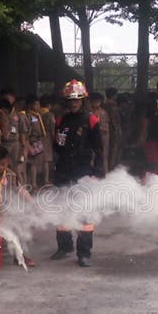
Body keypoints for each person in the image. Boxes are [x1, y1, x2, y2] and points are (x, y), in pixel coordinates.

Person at [51, 80, 104, 267]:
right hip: (63, 170)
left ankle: (84, 252)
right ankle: (64, 246)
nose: (73, 103)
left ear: (82, 99)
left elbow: (99, 149)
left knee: (84, 213)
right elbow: (56, 147)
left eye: (76, 99)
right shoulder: (61, 120)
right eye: (69, 99)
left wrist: (97, 173)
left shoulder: (91, 120)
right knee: (61, 209)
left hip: (83, 171)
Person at [88, 92, 110, 174]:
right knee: (91, 156)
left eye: (98, 101)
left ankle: (105, 173)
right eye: (94, 101)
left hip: (103, 138)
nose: (96, 103)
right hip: (92, 138)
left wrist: (100, 128)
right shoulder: (88, 113)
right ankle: (90, 174)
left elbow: (107, 127)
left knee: (104, 156)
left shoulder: (104, 112)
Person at [39, 93, 55, 187]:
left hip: (37, 138)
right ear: (49, 104)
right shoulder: (49, 114)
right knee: (46, 159)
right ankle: (46, 179)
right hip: (47, 138)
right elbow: (52, 128)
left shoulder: (37, 113)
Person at [103, 87, 122, 170]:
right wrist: (117, 130)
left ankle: (108, 167)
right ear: (113, 95)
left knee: (107, 149)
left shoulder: (103, 104)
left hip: (106, 129)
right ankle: (112, 168)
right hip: (113, 129)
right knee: (113, 149)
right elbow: (114, 119)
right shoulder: (112, 105)